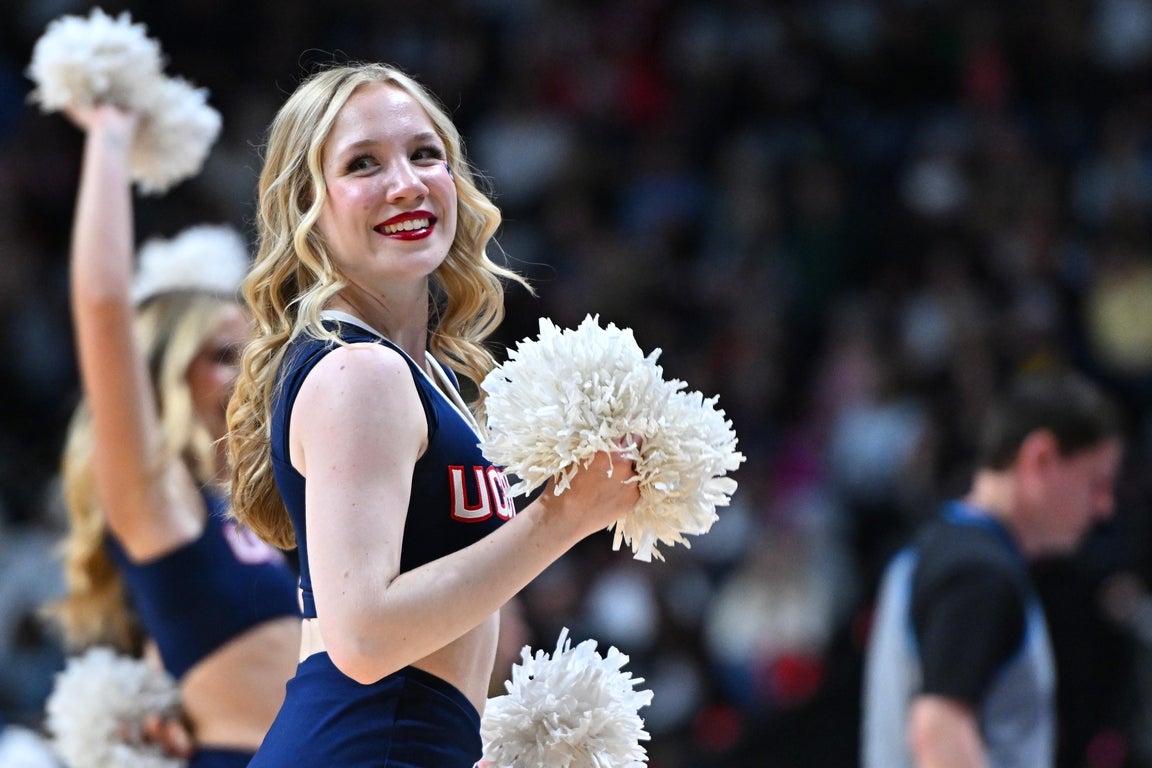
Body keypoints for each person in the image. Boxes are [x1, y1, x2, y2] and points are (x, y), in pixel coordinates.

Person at [226, 61, 641, 767]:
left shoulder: (430, 376)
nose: (406, 182)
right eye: (363, 163)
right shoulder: (361, 371)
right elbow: (362, 640)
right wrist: (564, 516)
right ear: (308, 208)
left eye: (426, 154)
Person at [48, 103, 301, 767]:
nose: (248, 375)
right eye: (221, 356)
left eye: (251, 354)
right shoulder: (156, 501)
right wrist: (110, 129)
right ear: (161, 375)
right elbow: (102, 306)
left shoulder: (239, 511)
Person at [861, 368, 1124, 768]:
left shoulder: (934, 548)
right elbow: (939, 731)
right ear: (1041, 459)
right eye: (1096, 483)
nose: (1105, 507)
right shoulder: (980, 576)